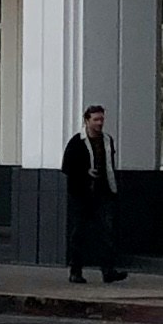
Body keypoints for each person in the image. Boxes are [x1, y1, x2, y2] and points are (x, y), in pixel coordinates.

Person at [63, 103, 126, 285]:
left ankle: (108, 271)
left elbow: (109, 165)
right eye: (96, 119)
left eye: (101, 119)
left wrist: (113, 188)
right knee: (79, 234)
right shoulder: (77, 142)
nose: (99, 123)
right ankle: (75, 271)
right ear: (87, 120)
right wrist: (85, 172)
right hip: (82, 195)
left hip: (103, 193)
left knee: (107, 232)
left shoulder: (107, 140)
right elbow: (67, 166)